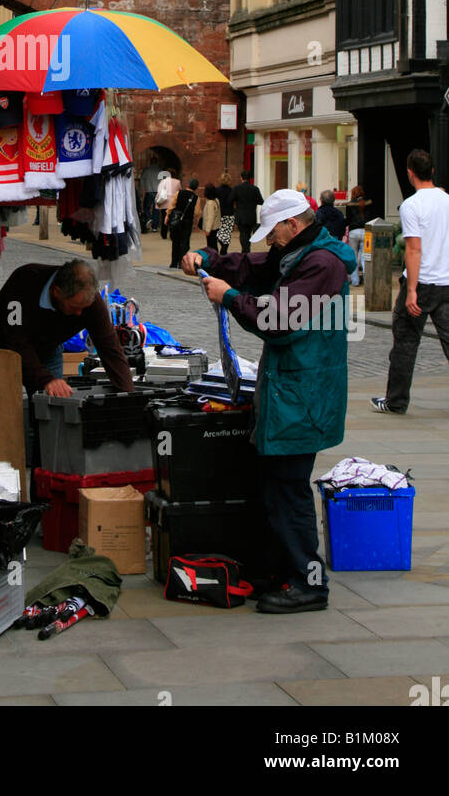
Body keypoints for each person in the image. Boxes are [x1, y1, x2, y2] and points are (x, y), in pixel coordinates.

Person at [181, 188, 357, 613]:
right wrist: (208, 258)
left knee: (289, 488)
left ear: (292, 225)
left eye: (272, 232)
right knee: (277, 486)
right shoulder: (300, 252)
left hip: (304, 394)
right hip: (292, 390)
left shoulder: (321, 264)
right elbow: (253, 264)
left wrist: (228, 297)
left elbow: (277, 319)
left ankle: (308, 581)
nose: (267, 240)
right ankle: (283, 572)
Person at [0, 258, 134, 397]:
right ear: (57, 292)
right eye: (75, 307)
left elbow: (110, 347)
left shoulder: (91, 303)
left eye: (84, 308)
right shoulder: (24, 281)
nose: (80, 313)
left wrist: (128, 394)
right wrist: (46, 380)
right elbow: (16, 341)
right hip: (1, 348)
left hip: (47, 348)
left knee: (52, 405)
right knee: (3, 409)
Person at [372, 149, 449, 414]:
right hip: (447, 281)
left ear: (410, 173)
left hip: (423, 280)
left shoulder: (412, 205)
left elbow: (413, 249)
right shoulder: (447, 200)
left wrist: (412, 290)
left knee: (405, 343)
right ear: (433, 172)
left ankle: (396, 401)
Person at [167, 177, 199, 269]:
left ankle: (173, 262)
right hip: (187, 222)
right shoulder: (196, 198)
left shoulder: (179, 193)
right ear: (196, 188)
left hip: (176, 221)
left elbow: (172, 206)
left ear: (188, 185)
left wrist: (168, 216)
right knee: (184, 242)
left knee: (175, 241)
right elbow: (197, 212)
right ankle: (181, 263)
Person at [344, 186, 371, 288]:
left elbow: (348, 220)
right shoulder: (369, 202)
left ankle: (355, 281)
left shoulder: (350, 204)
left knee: (354, 256)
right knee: (366, 256)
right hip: (366, 231)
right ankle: (367, 280)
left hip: (353, 232)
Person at [233, 170, 264, 253]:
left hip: (241, 216)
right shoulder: (255, 189)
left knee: (243, 234)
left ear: (241, 178)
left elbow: (230, 200)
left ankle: (245, 251)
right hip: (251, 216)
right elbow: (261, 201)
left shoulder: (237, 188)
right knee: (248, 234)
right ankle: (247, 250)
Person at [155, 169, 180, 239]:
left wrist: (157, 201)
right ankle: (172, 234)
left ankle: (164, 234)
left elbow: (159, 192)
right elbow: (179, 191)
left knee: (164, 217)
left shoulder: (163, 181)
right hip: (173, 202)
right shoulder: (177, 182)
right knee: (172, 218)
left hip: (164, 202)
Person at [216, 171, 236, 254]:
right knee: (227, 233)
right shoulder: (232, 190)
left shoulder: (217, 190)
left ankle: (222, 244)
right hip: (229, 214)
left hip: (219, 214)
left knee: (219, 232)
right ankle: (224, 249)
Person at [201, 183, 221, 251]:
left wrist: (208, 230)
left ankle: (214, 259)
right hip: (216, 226)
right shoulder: (216, 200)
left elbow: (210, 217)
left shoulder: (210, 203)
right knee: (214, 244)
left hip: (211, 228)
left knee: (211, 246)